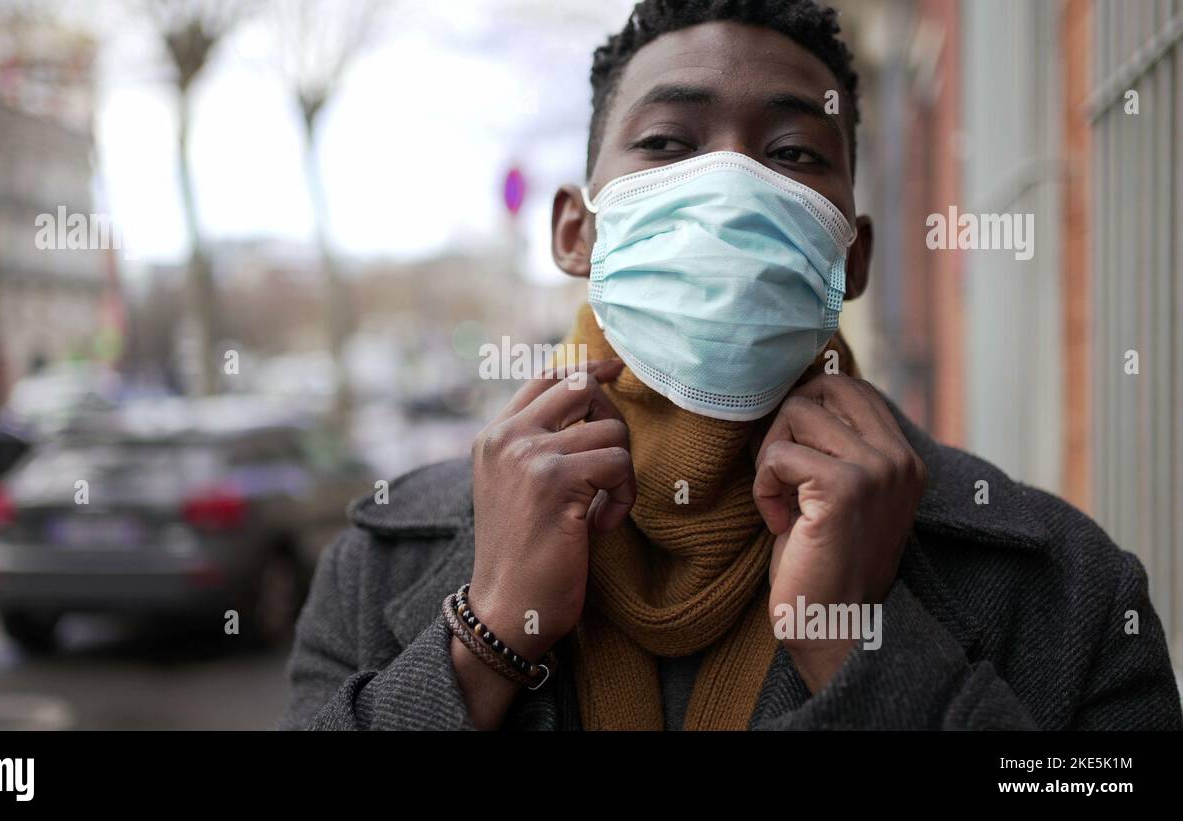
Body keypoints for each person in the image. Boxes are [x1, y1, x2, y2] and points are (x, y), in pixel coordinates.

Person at [280, 0, 1183, 731]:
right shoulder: (376, 566)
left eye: (792, 153)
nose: (732, 188)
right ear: (576, 232)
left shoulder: (1070, 587)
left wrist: (863, 651)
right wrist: (483, 640)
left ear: (852, 257)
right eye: (668, 143)